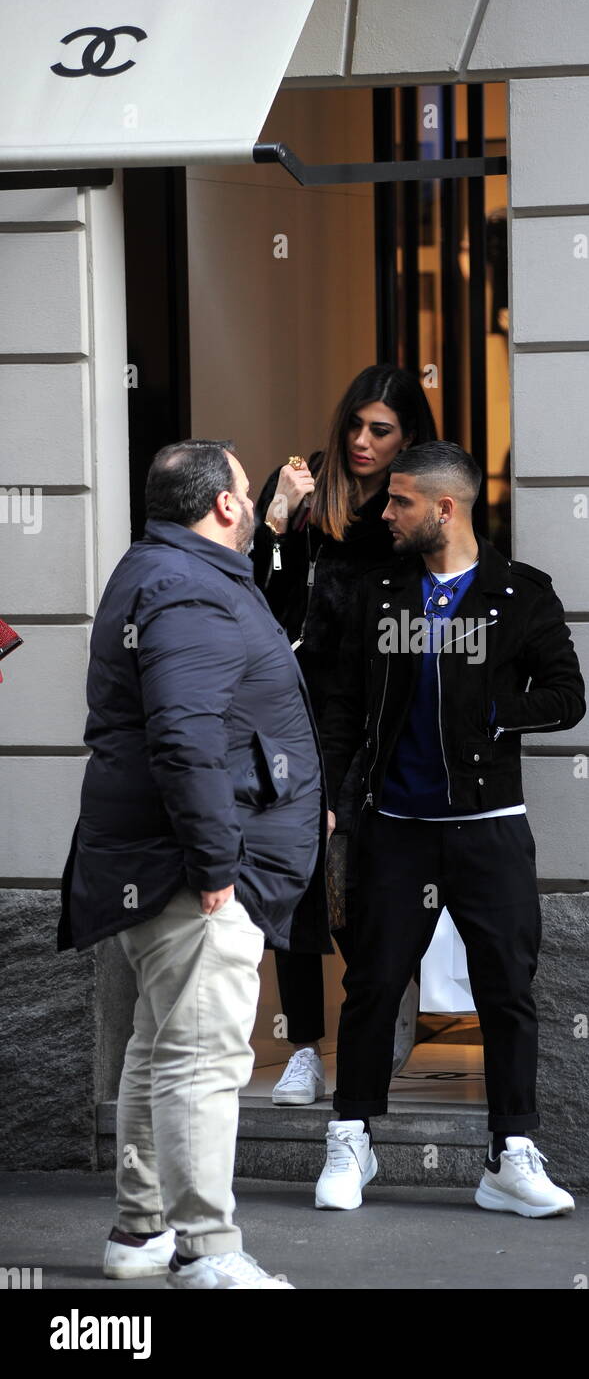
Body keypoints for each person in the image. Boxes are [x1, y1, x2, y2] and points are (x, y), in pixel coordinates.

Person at [58, 439, 331, 1289]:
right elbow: (183, 735)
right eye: (247, 493)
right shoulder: (187, 585)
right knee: (203, 1059)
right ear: (221, 506)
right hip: (196, 869)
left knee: (159, 1047)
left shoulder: (166, 572)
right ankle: (206, 1250)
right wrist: (216, 864)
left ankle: (139, 1233)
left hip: (165, 860)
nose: (253, 505)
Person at [314, 440, 587, 1216]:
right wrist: (336, 794)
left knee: (506, 988)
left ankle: (510, 1154)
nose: (385, 511)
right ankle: (352, 1136)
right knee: (370, 985)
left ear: (444, 508)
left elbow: (567, 695)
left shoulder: (520, 593)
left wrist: (492, 712)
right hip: (395, 825)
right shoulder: (380, 594)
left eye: (399, 500)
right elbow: (342, 705)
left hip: (489, 825)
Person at [252, 365, 437, 1107]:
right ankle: (303, 1046)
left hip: (378, 712)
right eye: (355, 425)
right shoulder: (304, 483)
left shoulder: (412, 503)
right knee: (295, 871)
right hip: (293, 705)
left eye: (381, 430)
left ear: (409, 438)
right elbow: (252, 597)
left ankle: (379, 1003)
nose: (362, 442)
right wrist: (278, 518)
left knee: (361, 871)